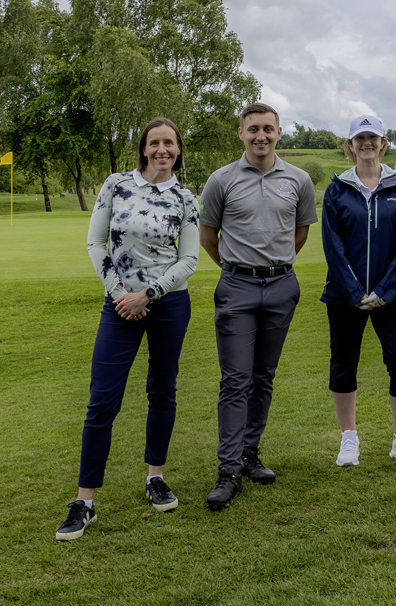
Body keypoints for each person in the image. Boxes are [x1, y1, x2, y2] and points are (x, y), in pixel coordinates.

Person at [56, 118, 199, 541]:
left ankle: (155, 477)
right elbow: (95, 243)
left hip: (169, 303)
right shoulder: (116, 184)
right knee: (102, 400)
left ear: (177, 150)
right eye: (154, 142)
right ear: (143, 148)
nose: (161, 149)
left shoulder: (186, 199)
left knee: (162, 390)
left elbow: (189, 259)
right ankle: (85, 501)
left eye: (169, 143)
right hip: (119, 303)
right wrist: (121, 292)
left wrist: (148, 295)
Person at [199, 103, 317, 510]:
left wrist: (273, 269)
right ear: (241, 133)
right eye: (253, 129)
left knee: (263, 376)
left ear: (279, 133)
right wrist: (237, 271)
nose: (260, 136)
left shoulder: (299, 180)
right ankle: (228, 469)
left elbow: (299, 234)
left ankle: (250, 455)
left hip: (282, 286)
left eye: (268, 129)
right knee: (236, 380)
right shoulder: (221, 180)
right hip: (237, 288)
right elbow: (209, 236)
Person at [321, 114, 396, 468]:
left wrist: (383, 292)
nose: (367, 143)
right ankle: (349, 439)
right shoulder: (337, 189)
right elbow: (332, 246)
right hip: (343, 296)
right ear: (350, 145)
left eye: (373, 137)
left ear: (383, 143)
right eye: (359, 138)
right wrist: (354, 291)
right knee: (343, 365)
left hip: (392, 297)